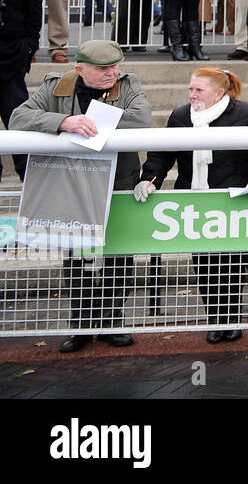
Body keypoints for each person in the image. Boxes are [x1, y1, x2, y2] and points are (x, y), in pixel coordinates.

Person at [11, 40, 151, 351]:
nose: (112, 73)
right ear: (80, 69)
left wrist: (87, 124)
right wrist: (63, 122)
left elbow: (141, 119)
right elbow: (18, 118)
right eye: (103, 69)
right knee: (78, 258)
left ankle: (112, 321)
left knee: (119, 256)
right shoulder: (56, 86)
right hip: (73, 184)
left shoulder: (128, 84)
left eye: (115, 66)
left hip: (118, 182)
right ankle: (82, 325)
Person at [136, 67, 248, 344]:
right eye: (190, 89)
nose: (192, 95)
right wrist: (149, 180)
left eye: (198, 90)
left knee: (232, 264)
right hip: (195, 201)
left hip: (234, 201)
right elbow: (162, 155)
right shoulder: (180, 117)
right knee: (204, 264)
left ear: (219, 93)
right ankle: (214, 319)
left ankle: (232, 318)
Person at [0, 0, 42, 183]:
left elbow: (34, 20)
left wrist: (27, 50)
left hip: (11, 58)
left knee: (17, 120)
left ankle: (28, 177)